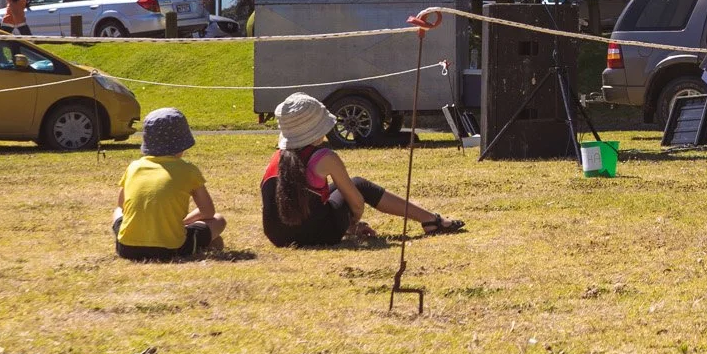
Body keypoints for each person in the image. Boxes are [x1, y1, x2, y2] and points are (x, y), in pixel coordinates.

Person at [261, 93, 462, 248]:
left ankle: (430, 220)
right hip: (320, 235)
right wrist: (351, 223)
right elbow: (356, 202)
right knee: (358, 184)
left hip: (278, 238)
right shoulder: (325, 158)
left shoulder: (275, 160)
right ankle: (431, 220)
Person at [113, 108, 226, 261]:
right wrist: (182, 223)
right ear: (183, 142)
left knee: (117, 212)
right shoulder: (188, 170)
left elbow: (122, 205)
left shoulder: (134, 167)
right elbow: (208, 212)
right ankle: (197, 243)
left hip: (127, 249)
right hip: (171, 249)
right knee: (219, 220)